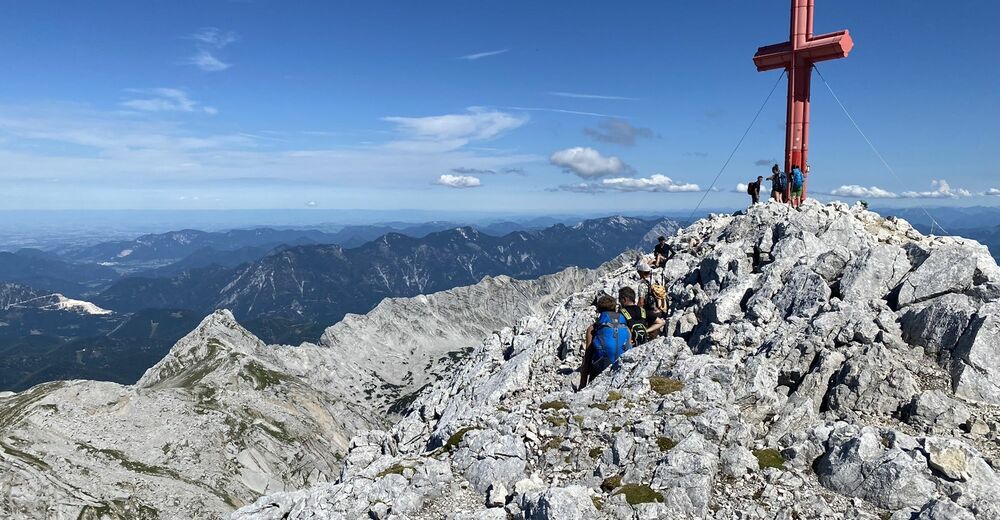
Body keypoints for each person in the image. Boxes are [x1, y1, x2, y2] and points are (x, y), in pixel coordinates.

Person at [578, 294, 631, 390]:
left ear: (598, 310)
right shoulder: (626, 328)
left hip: (601, 369)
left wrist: (582, 386)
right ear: (615, 309)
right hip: (623, 370)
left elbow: (588, 357)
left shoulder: (593, 329)